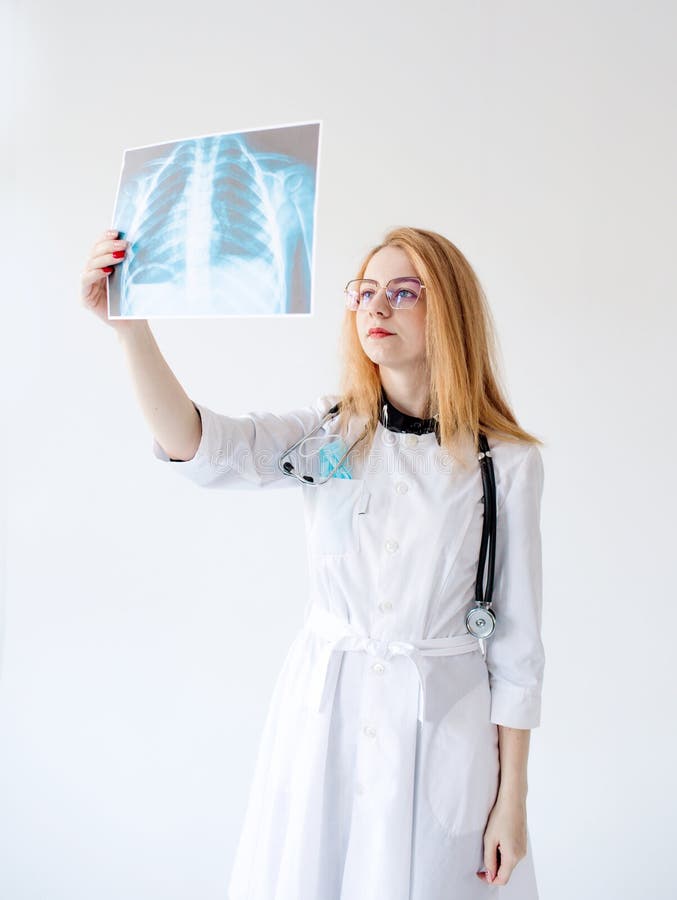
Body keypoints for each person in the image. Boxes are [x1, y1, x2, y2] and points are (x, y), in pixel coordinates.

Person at [80, 226, 546, 899]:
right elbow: (199, 445)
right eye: (365, 292)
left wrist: (512, 799)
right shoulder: (329, 437)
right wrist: (129, 330)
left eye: (403, 292)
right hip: (324, 719)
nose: (376, 307)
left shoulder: (504, 465)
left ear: (449, 311)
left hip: (443, 728)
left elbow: (518, 649)